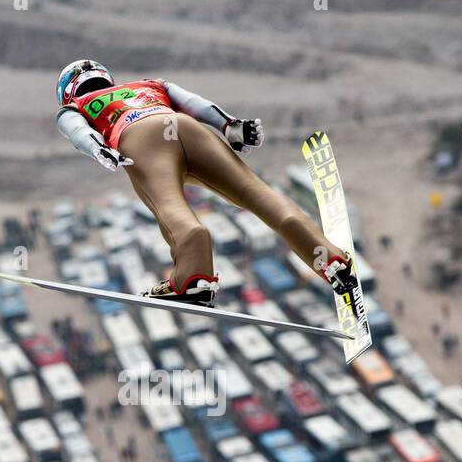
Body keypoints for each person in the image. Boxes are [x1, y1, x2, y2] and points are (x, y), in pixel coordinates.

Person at [53, 59, 356, 305]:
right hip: (186, 127)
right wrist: (230, 125)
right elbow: (195, 103)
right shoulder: (147, 84)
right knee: (255, 192)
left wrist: (98, 148)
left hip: (138, 137)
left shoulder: (77, 105)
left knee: (168, 203)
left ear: (68, 92)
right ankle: (329, 258)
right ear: (107, 77)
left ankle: (193, 277)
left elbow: (75, 129)